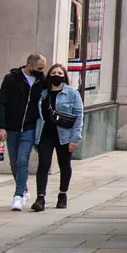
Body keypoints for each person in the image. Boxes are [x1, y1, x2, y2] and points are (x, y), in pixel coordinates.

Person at [0, 53, 46, 211]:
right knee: (14, 162)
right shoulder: (11, 79)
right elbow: (1, 103)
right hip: (12, 127)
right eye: (39, 68)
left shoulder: (41, 81)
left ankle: (18, 196)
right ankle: (24, 189)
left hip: (29, 128)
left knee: (23, 160)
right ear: (30, 66)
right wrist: (0, 126)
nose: (42, 71)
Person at [30, 62, 84, 211]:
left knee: (64, 164)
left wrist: (75, 138)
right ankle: (40, 198)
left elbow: (79, 116)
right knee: (43, 165)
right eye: (53, 73)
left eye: (60, 74)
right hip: (45, 133)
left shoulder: (72, 93)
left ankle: (62, 195)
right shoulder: (43, 94)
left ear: (64, 76)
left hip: (65, 135)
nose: (56, 76)